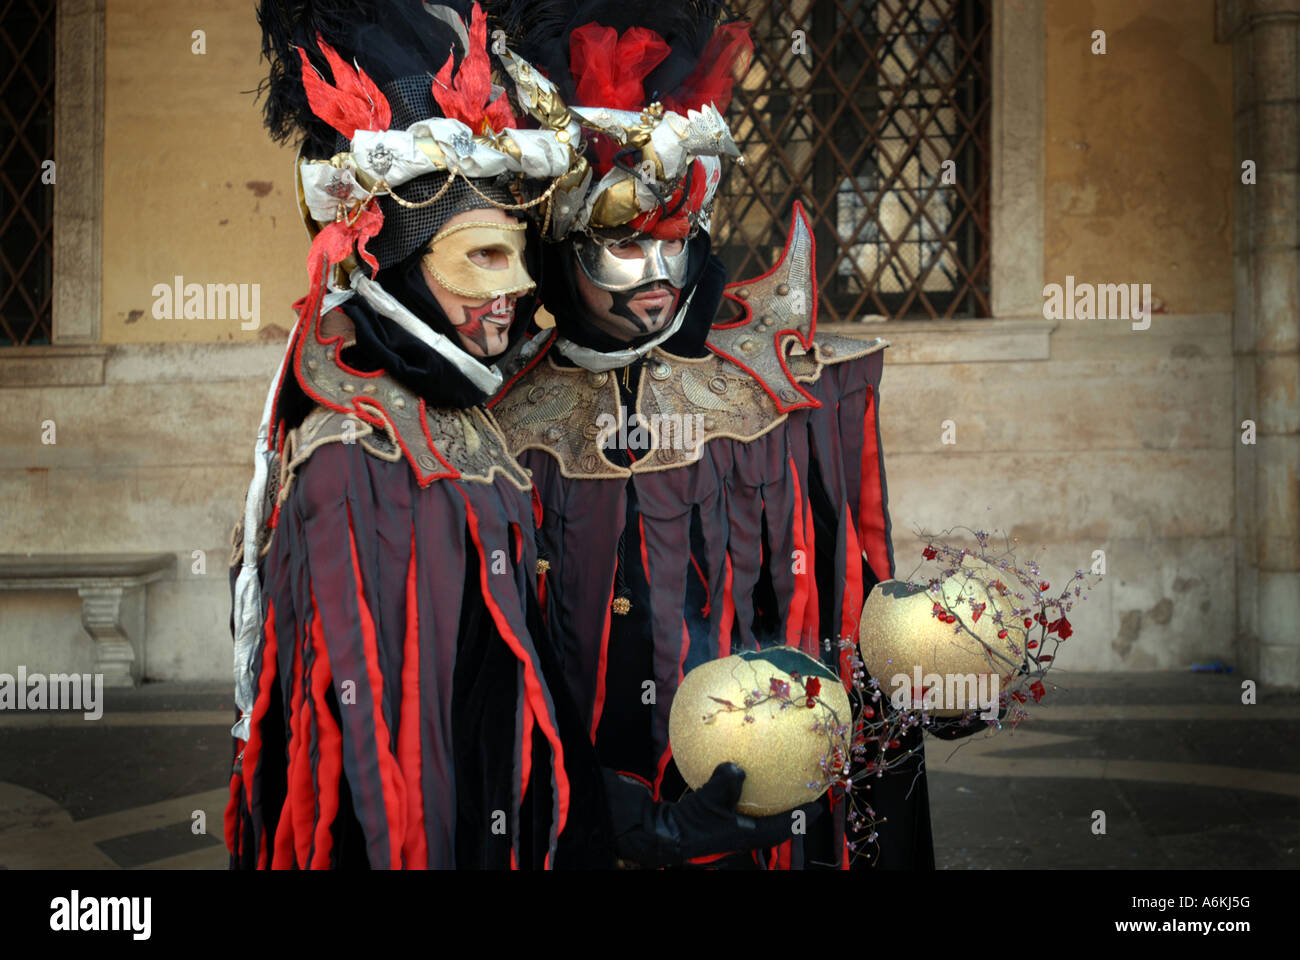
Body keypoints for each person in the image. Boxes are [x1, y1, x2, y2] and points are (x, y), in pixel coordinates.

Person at [226, 0, 802, 871]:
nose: (519, 287)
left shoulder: (445, 415)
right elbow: (396, 770)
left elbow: (500, 704)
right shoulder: (365, 459)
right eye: (483, 257)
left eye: (517, 253)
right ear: (394, 260)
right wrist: (620, 829)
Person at [485, 0, 982, 869]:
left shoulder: (781, 396)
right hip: (580, 817)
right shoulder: (497, 419)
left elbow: (844, 607)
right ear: (560, 245)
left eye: (677, 242)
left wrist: (935, 681)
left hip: (759, 809)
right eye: (624, 247)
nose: (659, 275)